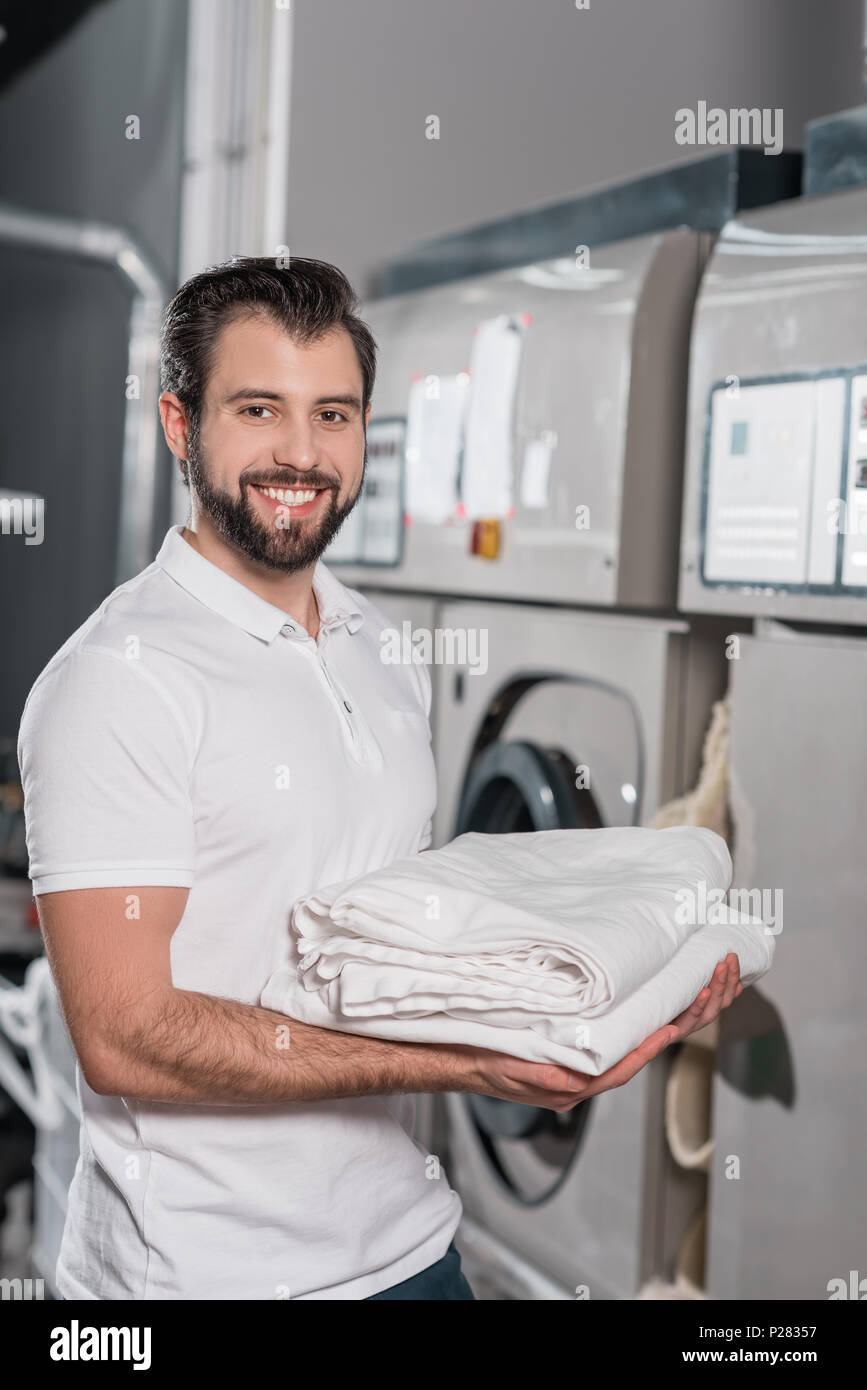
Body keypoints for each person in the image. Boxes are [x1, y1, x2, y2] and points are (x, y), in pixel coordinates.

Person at [18, 256, 743, 1301]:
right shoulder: (117, 680)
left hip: (409, 1246)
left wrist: (603, 995)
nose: (302, 454)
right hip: (203, 1278)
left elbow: (407, 939)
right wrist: (464, 1065)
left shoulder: (380, 645)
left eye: (336, 415)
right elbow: (127, 1037)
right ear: (181, 427)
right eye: (259, 408)